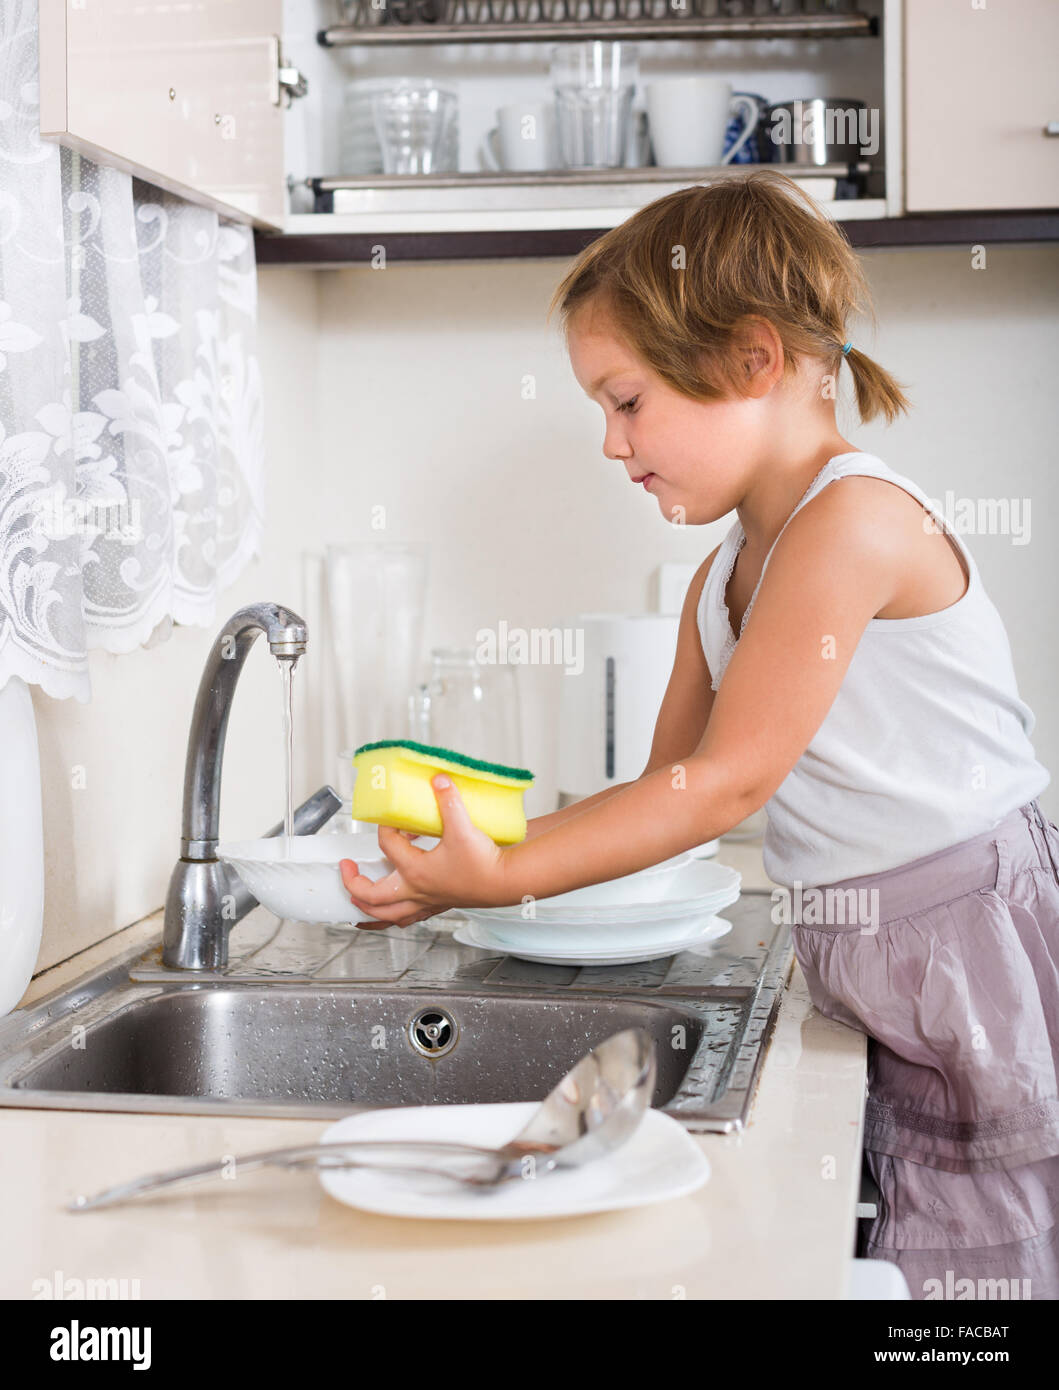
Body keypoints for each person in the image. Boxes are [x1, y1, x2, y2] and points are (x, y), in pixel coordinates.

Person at [340, 170, 1059, 1298]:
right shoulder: (722, 577)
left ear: (753, 361)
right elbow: (662, 798)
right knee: (916, 1233)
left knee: (978, 1258)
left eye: (625, 402)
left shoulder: (853, 523)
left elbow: (722, 786)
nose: (612, 444)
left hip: (968, 940)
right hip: (875, 949)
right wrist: (477, 857)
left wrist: (502, 878)